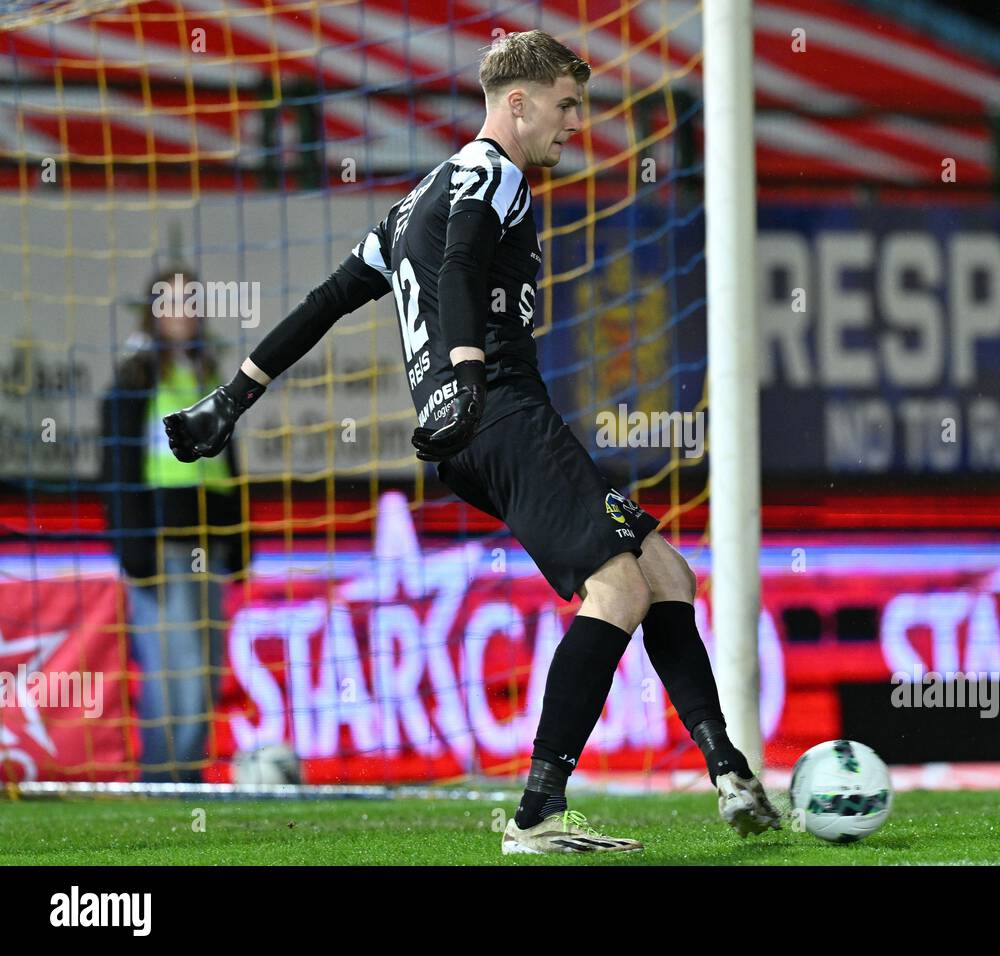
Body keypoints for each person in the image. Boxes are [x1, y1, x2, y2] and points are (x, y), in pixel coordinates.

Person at [160, 29, 779, 852]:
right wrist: (464, 374)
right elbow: (456, 269)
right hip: (495, 408)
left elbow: (325, 301)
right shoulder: (494, 172)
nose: (574, 125)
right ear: (515, 104)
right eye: (564, 107)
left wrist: (232, 398)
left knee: (665, 572)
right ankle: (538, 814)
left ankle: (730, 773)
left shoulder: (411, 201)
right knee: (620, 591)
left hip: (473, 426)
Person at [100, 270, 244, 783]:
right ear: (153, 313)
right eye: (174, 302)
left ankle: (187, 776)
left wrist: (238, 540)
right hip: (161, 548)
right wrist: (132, 548)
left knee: (205, 668)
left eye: (192, 301)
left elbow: (228, 465)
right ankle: (165, 778)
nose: (186, 310)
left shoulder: (206, 376)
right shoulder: (134, 380)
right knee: (171, 668)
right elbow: (116, 470)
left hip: (209, 544)